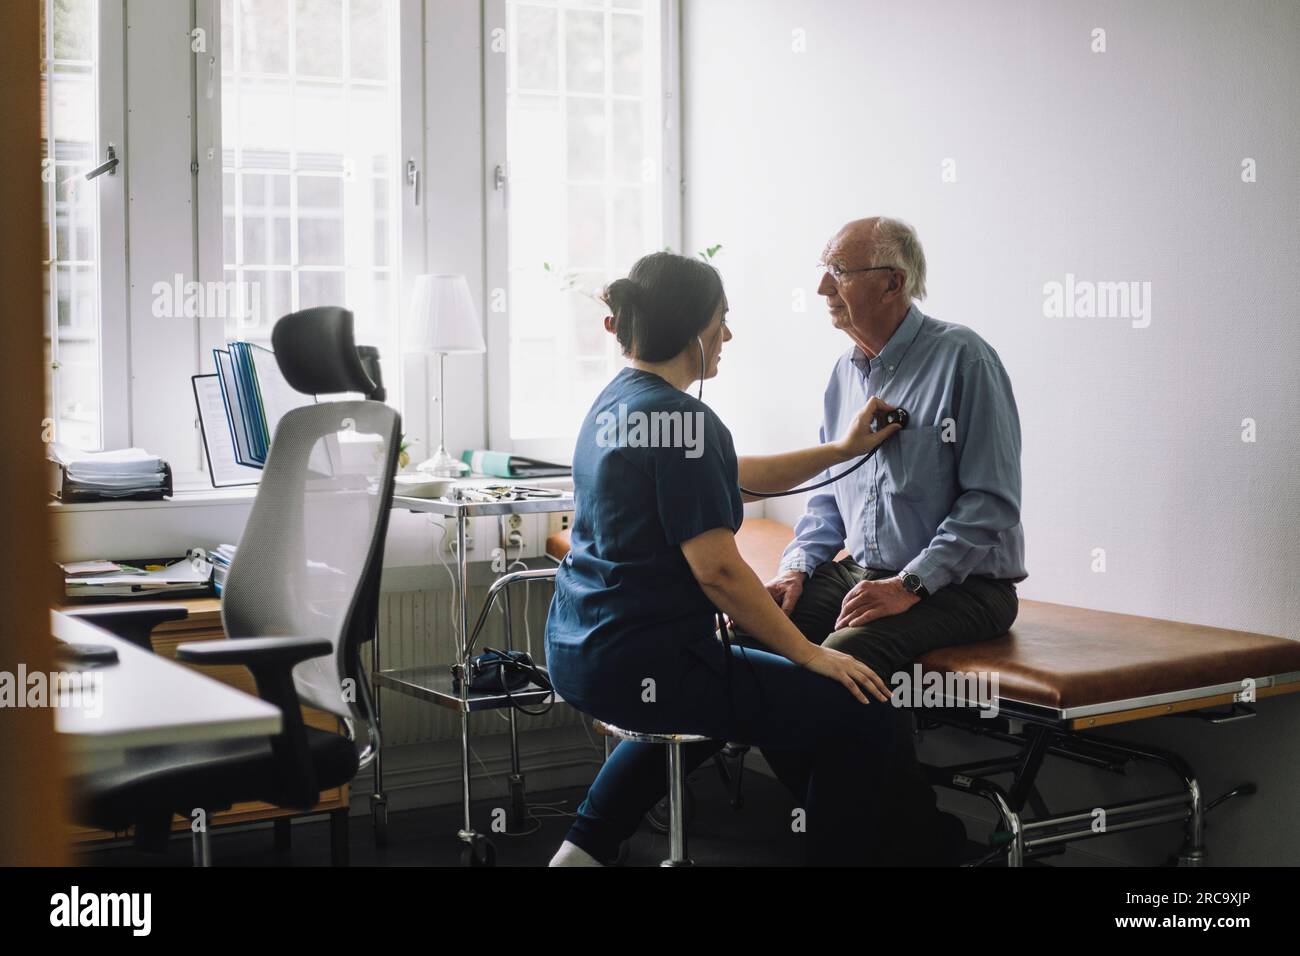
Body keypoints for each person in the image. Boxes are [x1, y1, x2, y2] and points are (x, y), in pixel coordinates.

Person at [545, 251, 914, 867]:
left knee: (723, 697)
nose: (729, 335)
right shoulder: (686, 419)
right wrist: (811, 653)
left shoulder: (618, 402)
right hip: (648, 661)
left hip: (581, 651)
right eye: (723, 319)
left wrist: (841, 449)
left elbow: (728, 477)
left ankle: (581, 853)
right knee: (864, 712)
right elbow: (716, 569)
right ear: (696, 330)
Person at [759, 217, 1027, 818]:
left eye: (839, 273)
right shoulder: (843, 374)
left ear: (892, 283)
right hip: (863, 573)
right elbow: (829, 495)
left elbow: (993, 501)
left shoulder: (963, 358)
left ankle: (857, 837)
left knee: (841, 663)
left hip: (965, 585)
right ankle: (897, 828)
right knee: (753, 639)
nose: (824, 290)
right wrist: (799, 566)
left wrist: (910, 584)